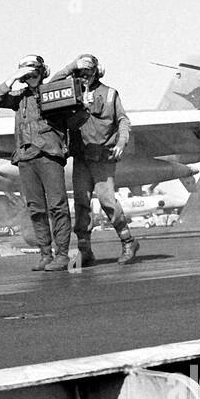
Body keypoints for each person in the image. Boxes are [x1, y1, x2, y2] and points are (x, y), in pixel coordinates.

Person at [48, 53, 138, 265]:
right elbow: (49, 88)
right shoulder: (70, 93)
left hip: (103, 157)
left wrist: (121, 143)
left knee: (107, 201)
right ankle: (84, 249)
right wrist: (71, 66)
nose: (84, 76)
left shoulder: (110, 94)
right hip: (81, 157)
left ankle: (128, 242)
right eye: (80, 72)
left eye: (87, 72)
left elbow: (123, 120)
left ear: (97, 72)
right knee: (81, 203)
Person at [0, 54, 75, 271]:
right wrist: (13, 77)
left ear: (41, 71)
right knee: (36, 209)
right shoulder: (18, 99)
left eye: (33, 70)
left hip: (49, 156)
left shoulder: (52, 93)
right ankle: (45, 254)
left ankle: (62, 255)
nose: (30, 75)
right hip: (26, 158)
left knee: (57, 206)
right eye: (25, 71)